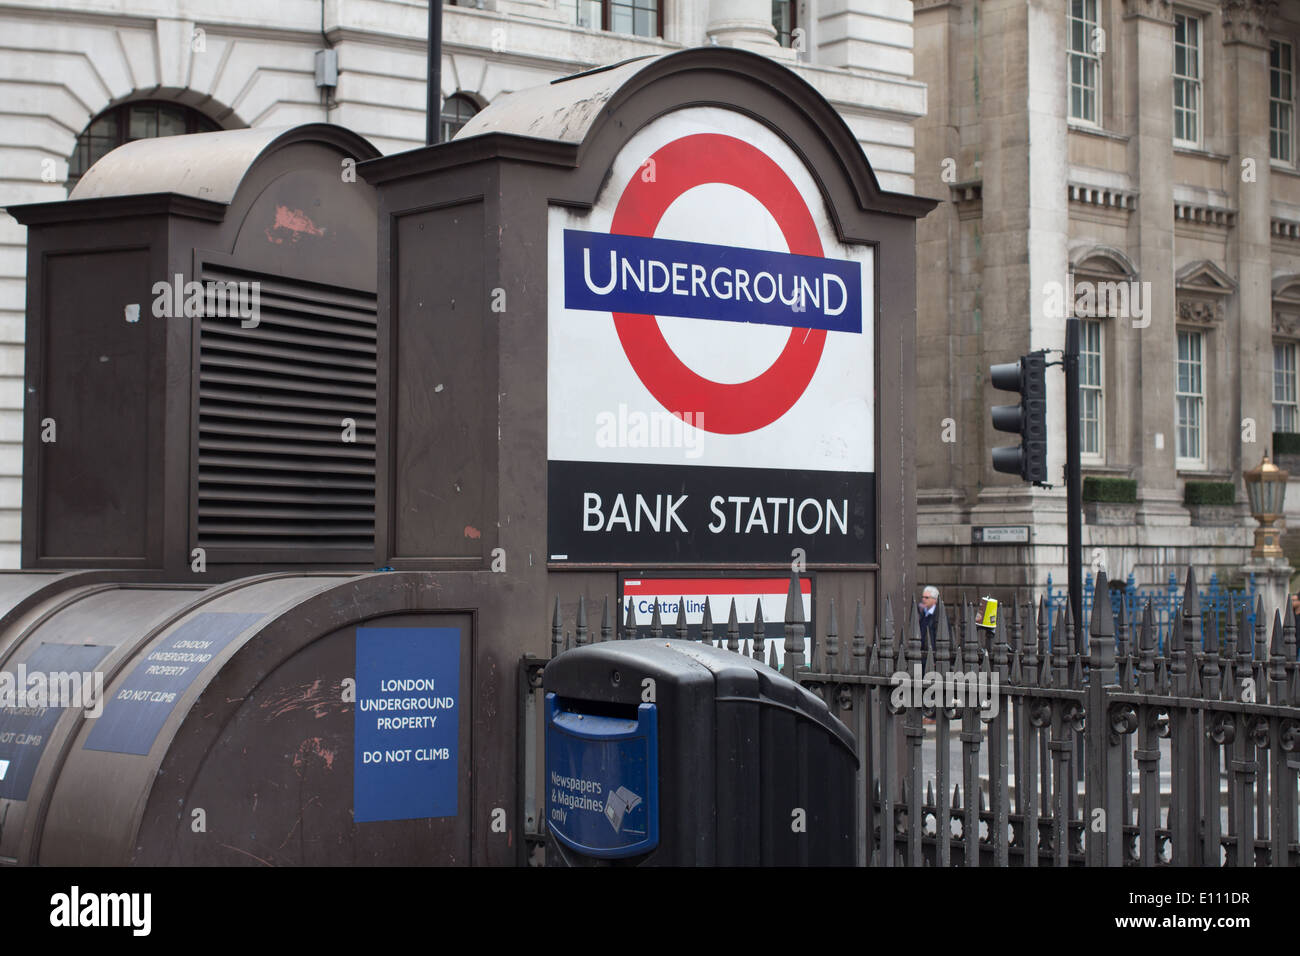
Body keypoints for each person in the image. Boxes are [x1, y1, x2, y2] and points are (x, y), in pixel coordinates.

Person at [918, 585, 940, 667]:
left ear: (934, 600)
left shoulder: (938, 615)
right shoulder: (923, 613)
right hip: (922, 656)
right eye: (923, 597)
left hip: (933, 657)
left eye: (926, 597)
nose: (923, 599)